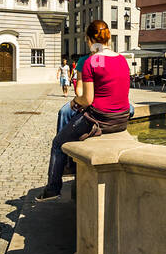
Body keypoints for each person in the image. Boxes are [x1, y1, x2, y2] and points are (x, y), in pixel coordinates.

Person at [45, 22, 134, 196]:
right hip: (121, 120)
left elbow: (87, 99)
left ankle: (52, 189)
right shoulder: (122, 60)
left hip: (101, 121)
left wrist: (73, 103)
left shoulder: (91, 62)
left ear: (90, 39)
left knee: (57, 142)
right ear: (108, 37)